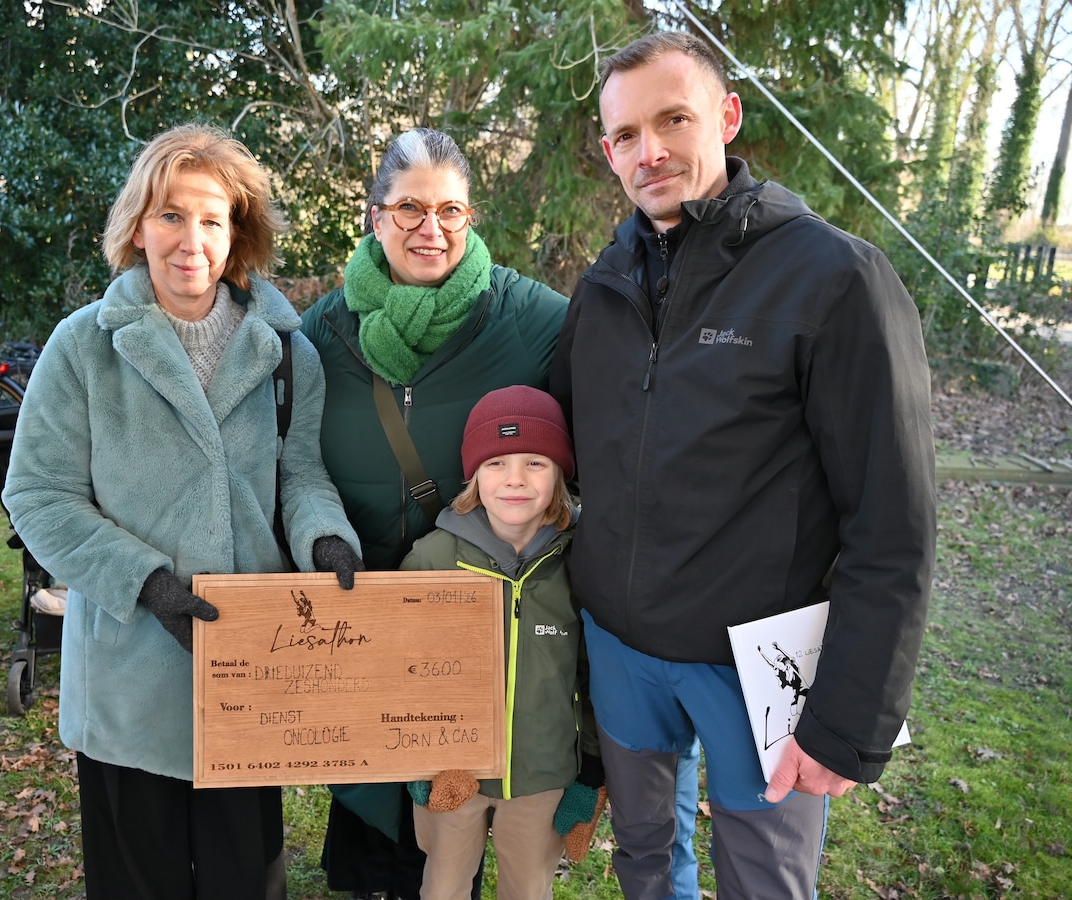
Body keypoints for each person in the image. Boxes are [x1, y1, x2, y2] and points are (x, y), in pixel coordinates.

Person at [549, 31, 937, 899]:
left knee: (764, 881)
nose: (649, 152)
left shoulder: (834, 279)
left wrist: (849, 721)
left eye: (673, 119)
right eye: (624, 135)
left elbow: (895, 523)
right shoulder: (607, 285)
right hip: (622, 654)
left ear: (726, 116)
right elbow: (563, 442)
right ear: (608, 151)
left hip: (758, 666)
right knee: (647, 860)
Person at [2, 121, 364, 900]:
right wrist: (147, 584)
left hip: (249, 678)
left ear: (237, 236)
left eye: (210, 218)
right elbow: (37, 495)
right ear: (138, 226)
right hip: (131, 685)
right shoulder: (83, 347)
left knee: (246, 884)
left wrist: (326, 536)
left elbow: (299, 477)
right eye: (170, 215)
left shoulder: (287, 352)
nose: (189, 239)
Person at [300, 127, 575, 899]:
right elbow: (287, 459)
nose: (433, 229)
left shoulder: (534, 320)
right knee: (373, 813)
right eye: (411, 208)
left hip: (486, 617)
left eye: (452, 210)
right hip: (362, 611)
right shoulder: (322, 333)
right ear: (373, 215)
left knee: (466, 814)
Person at [402, 385, 602, 900]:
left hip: (543, 777)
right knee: (442, 886)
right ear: (473, 476)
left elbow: (594, 672)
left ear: (560, 474)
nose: (515, 479)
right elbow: (398, 671)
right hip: (453, 774)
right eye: (496, 464)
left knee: (528, 889)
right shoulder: (431, 559)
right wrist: (417, 764)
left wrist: (591, 771)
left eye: (535, 462)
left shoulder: (582, 564)